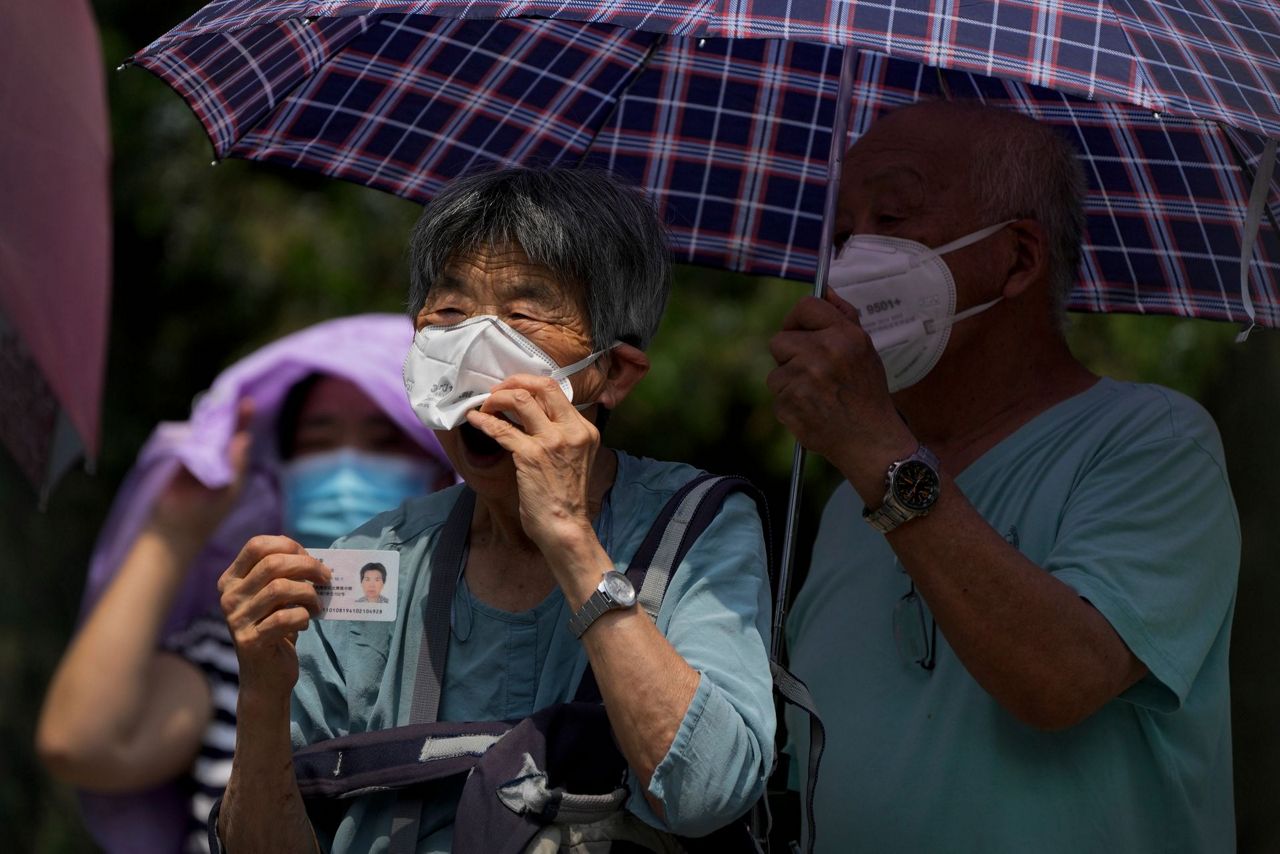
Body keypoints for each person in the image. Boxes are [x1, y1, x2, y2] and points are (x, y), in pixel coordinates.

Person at [214, 168, 776, 852]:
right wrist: (263, 693)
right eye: (449, 314)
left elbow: (705, 792)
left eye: (523, 316)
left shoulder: (697, 526)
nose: (476, 348)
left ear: (613, 373)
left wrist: (570, 538)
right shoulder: (372, 563)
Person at [769, 101, 1239, 852]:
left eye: (891, 217)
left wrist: (875, 452)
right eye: (840, 233)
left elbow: (1060, 679)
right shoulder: (840, 504)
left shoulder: (1155, 442)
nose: (851, 258)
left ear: (1018, 258)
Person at [36, 315, 454, 854]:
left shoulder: (471, 641)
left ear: (442, 470)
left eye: (384, 440)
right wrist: (172, 529)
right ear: (284, 473)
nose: (346, 468)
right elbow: (80, 743)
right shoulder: (233, 644)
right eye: (318, 440)